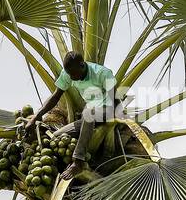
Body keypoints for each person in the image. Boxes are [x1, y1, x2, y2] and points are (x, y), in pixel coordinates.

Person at [24, 51, 117, 181]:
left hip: (109, 111)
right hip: (89, 118)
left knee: (88, 112)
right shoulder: (68, 73)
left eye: (74, 74)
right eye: (69, 74)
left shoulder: (102, 73)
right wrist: (36, 117)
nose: (72, 77)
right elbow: (56, 96)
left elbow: (112, 100)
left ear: (82, 65)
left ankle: (78, 161)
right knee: (56, 138)